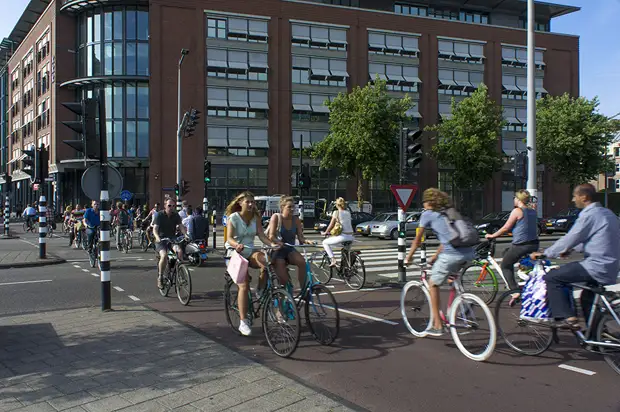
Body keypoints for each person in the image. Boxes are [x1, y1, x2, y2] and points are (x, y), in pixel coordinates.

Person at [531, 183, 620, 329]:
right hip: (611, 266)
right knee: (587, 297)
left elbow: (572, 237)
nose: (573, 199)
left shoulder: (589, 214)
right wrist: (571, 250)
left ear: (584, 197)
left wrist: (546, 253)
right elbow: (596, 239)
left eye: (575, 196)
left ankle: (567, 317)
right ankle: (595, 338)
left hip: (596, 266)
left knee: (553, 278)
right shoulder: (608, 213)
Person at [404, 188, 475, 337]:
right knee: (451, 276)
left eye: (424, 202)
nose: (423, 205)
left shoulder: (427, 215)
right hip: (469, 252)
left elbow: (417, 240)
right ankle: (464, 303)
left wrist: (409, 257)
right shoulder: (450, 211)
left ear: (428, 202)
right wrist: (435, 256)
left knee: (433, 284)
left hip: (452, 254)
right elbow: (449, 237)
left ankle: (437, 325)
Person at [225, 191, 280, 336]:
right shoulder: (233, 218)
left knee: (267, 261)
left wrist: (272, 245)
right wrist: (236, 245)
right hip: (234, 252)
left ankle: (260, 290)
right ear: (240, 203)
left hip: (249, 250)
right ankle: (243, 322)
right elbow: (229, 238)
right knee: (243, 285)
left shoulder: (256, 217)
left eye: (252, 202)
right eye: (248, 202)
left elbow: (261, 236)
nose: (251, 204)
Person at [485, 190, 539, 293]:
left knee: (505, 266)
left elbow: (506, 227)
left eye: (514, 197)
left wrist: (492, 235)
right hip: (534, 244)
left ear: (518, 199)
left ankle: (514, 292)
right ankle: (523, 270)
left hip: (521, 245)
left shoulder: (517, 211)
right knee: (506, 252)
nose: (513, 199)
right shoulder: (533, 211)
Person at [267, 196, 312, 289]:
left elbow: (300, 237)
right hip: (278, 251)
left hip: (289, 249)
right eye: (289, 207)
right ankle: (282, 298)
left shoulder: (296, 220)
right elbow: (271, 236)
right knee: (284, 281)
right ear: (282, 207)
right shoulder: (276, 217)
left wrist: (306, 241)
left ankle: (303, 289)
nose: (292, 209)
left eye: (293, 207)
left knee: (302, 262)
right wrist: (278, 242)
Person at [153, 198, 188, 289]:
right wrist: (157, 237)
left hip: (172, 239)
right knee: (164, 255)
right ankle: (160, 277)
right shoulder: (159, 215)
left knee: (179, 251)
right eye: (169, 205)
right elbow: (155, 229)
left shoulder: (176, 215)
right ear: (165, 206)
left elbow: (181, 226)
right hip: (161, 240)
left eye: (173, 206)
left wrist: (185, 235)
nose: (171, 207)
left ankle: (180, 273)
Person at [321, 198, 354, 267]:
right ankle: (346, 269)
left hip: (343, 237)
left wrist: (326, 232)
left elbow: (331, 224)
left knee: (325, 243)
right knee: (345, 252)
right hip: (351, 237)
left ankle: (333, 260)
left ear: (337, 205)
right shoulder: (348, 212)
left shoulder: (336, 212)